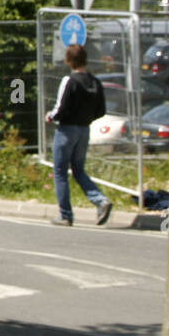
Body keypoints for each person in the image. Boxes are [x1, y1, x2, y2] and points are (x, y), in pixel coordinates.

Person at [45, 43, 112, 226]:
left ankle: (65, 215)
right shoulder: (94, 81)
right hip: (85, 130)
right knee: (79, 170)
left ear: (68, 60)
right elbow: (101, 110)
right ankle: (100, 200)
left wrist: (50, 116)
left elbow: (61, 107)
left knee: (60, 172)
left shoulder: (70, 81)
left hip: (66, 130)